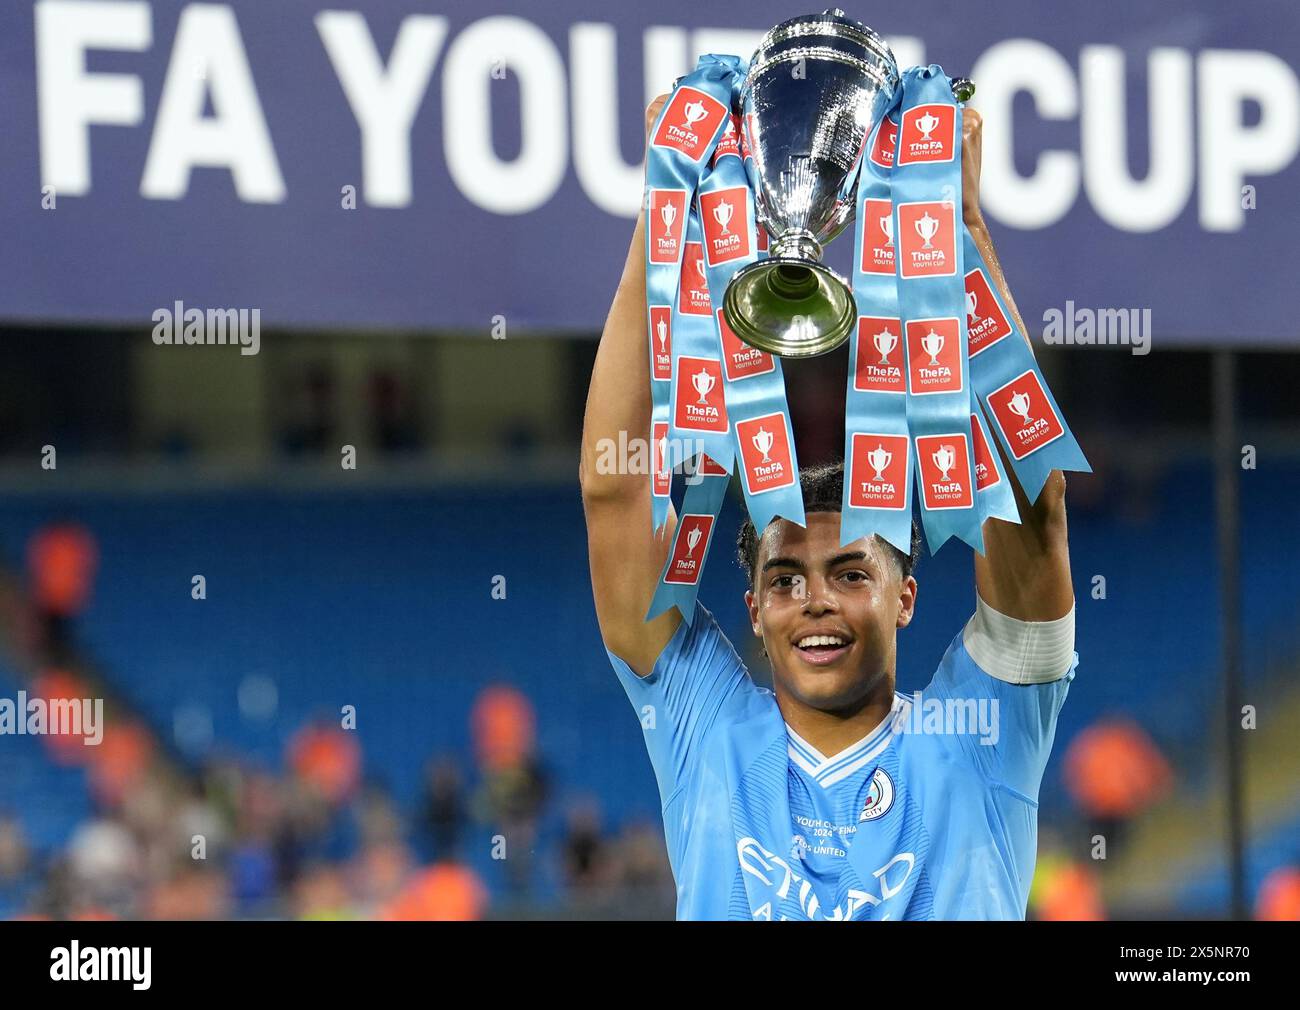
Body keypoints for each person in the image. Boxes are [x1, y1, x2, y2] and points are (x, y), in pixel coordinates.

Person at [578, 96, 1078, 920]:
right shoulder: (705, 731)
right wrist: (661, 219)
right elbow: (616, 487)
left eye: (851, 572)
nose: (813, 599)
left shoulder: (983, 730)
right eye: (784, 581)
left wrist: (959, 234)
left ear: (906, 595)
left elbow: (1034, 508)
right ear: (754, 607)